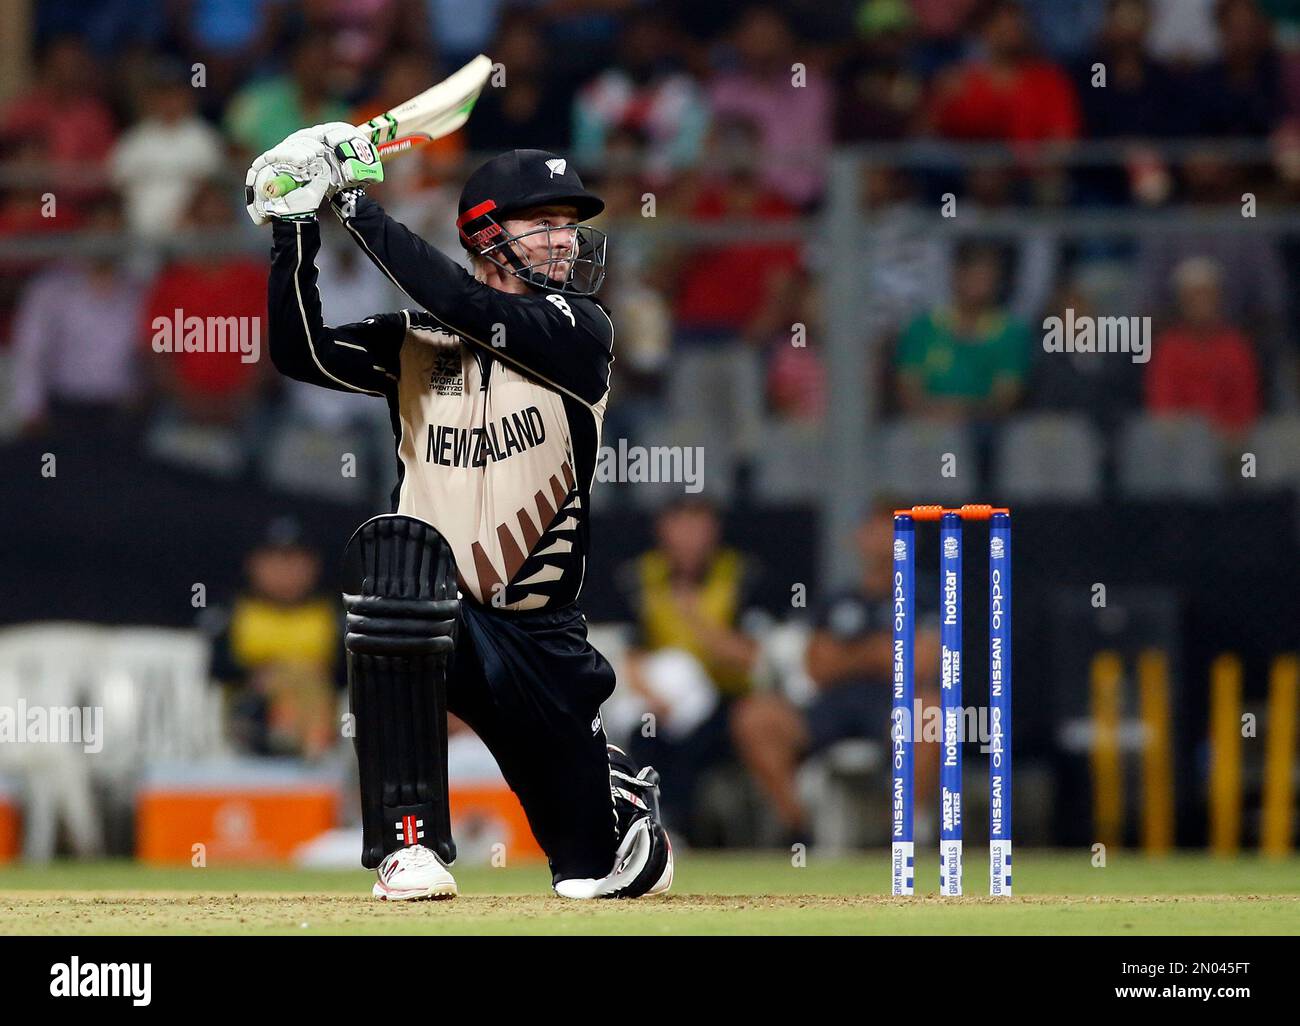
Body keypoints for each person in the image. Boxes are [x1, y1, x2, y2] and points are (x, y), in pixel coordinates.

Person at [245, 130, 671, 901]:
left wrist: (351, 202)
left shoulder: (580, 332)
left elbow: (464, 303)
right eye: (541, 222)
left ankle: (614, 801)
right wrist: (295, 227)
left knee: (589, 876)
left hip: (540, 633)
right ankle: (408, 847)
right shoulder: (414, 344)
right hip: (438, 612)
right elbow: (297, 350)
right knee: (395, 565)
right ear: (483, 234)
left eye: (567, 223)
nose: (563, 239)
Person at [730, 502, 941, 844]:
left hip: (892, 703)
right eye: (875, 529)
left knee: (930, 712)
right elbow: (817, 668)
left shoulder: (928, 595)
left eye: (893, 530)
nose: (883, 540)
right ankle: (799, 829)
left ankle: (909, 829)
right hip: (832, 703)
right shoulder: (838, 599)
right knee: (754, 716)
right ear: (858, 537)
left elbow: (922, 663)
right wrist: (881, 650)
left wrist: (849, 654)